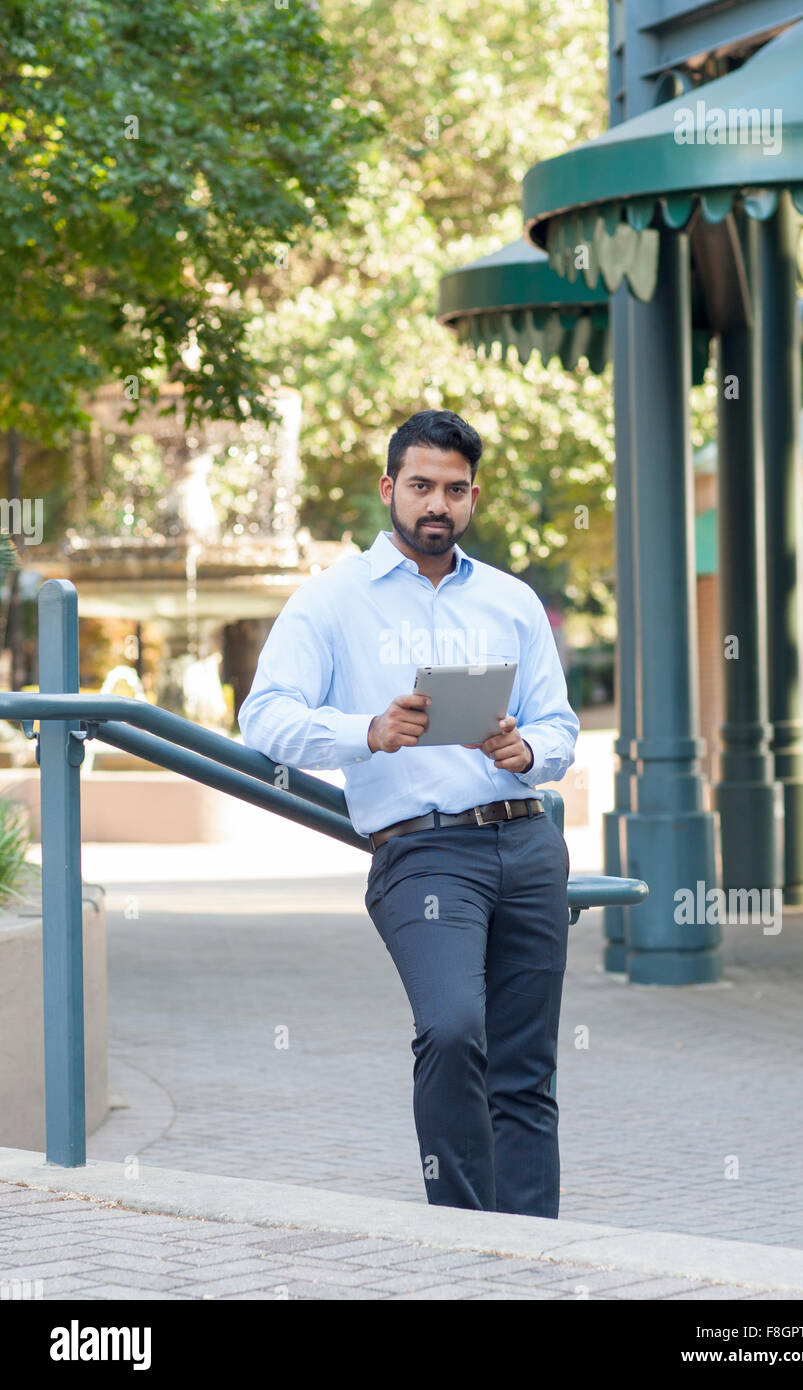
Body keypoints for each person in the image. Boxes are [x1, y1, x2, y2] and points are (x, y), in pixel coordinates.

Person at [238, 408, 579, 1217]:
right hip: (423, 856)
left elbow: (559, 727)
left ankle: (533, 1248)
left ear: (472, 498)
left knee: (526, 1068)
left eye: (455, 490)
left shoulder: (511, 601)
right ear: (389, 488)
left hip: (526, 841)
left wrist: (525, 749)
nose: (438, 504)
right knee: (454, 1030)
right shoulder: (332, 601)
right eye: (421, 486)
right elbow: (265, 716)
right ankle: (463, 1234)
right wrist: (367, 731)